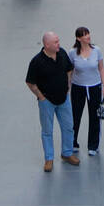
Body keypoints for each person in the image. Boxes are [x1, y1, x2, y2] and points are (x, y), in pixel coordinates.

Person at [25, 31, 79, 171]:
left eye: (58, 41)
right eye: (55, 42)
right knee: (47, 130)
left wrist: (68, 85)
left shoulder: (61, 53)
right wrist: (41, 97)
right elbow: (30, 82)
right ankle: (49, 159)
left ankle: (67, 153)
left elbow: (69, 69)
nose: (58, 44)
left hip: (64, 99)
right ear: (46, 44)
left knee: (68, 127)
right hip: (47, 102)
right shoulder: (37, 61)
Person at [69, 27, 104, 156]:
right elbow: (70, 71)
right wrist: (68, 87)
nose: (88, 36)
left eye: (88, 34)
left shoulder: (97, 51)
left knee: (94, 116)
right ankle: (73, 142)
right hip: (78, 87)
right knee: (75, 115)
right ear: (78, 38)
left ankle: (93, 145)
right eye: (84, 35)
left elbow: (101, 68)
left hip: (94, 86)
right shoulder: (73, 53)